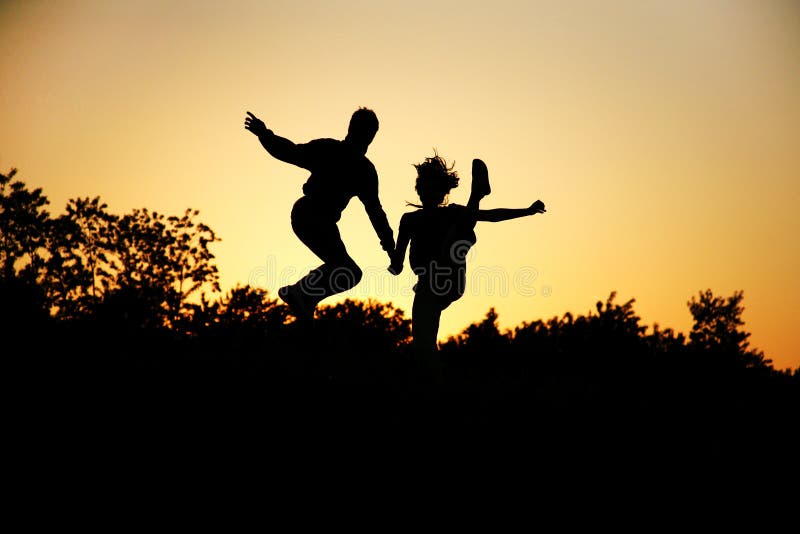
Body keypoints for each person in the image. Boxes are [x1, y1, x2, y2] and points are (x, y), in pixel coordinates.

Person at [244, 107, 395, 321]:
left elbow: (375, 212)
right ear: (353, 130)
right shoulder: (332, 151)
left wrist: (389, 245)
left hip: (323, 221)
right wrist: (264, 134)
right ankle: (299, 293)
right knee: (347, 271)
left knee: (348, 272)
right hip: (309, 213)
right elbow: (290, 152)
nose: (364, 139)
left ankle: (304, 297)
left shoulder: (364, 170)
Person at [388, 153, 545, 356]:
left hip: (447, 275)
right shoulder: (410, 220)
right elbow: (397, 265)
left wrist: (527, 211)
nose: (425, 191)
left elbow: (491, 216)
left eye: (429, 187)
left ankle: (476, 195)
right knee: (423, 344)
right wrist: (393, 260)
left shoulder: (436, 215)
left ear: (438, 191)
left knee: (457, 231)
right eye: (424, 186)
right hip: (433, 284)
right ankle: (431, 377)